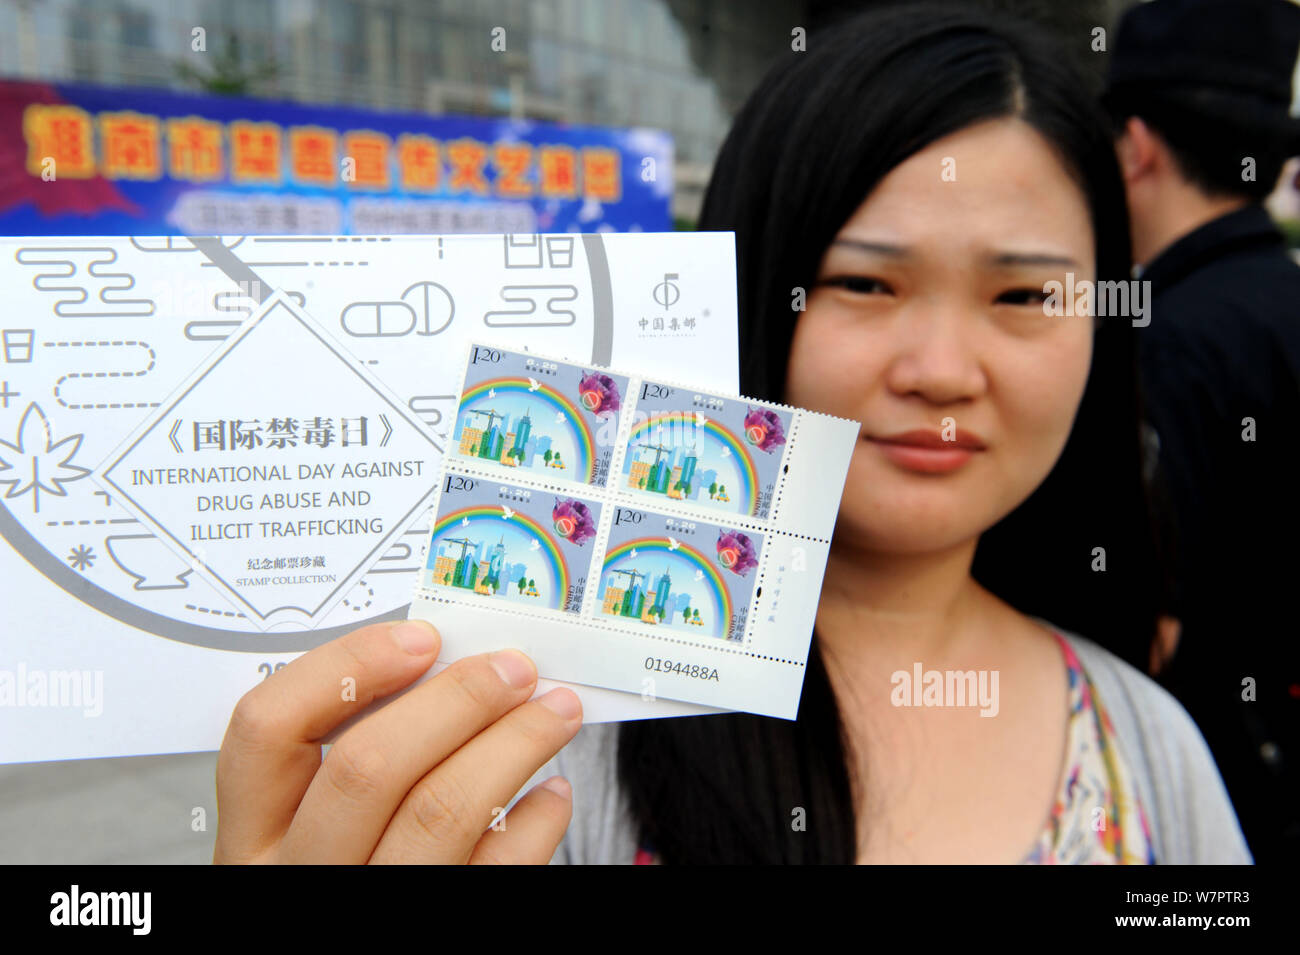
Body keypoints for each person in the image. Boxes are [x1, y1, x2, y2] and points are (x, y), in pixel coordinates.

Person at [211, 3, 1248, 865]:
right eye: (863, 282)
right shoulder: (539, 737)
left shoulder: (1145, 747)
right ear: (753, 295)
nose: (939, 368)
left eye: (1023, 294)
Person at [1102, 0, 1300, 863]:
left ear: (1138, 145)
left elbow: (1151, 624)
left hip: (1214, 802)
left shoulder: (1167, 339)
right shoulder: (1283, 298)